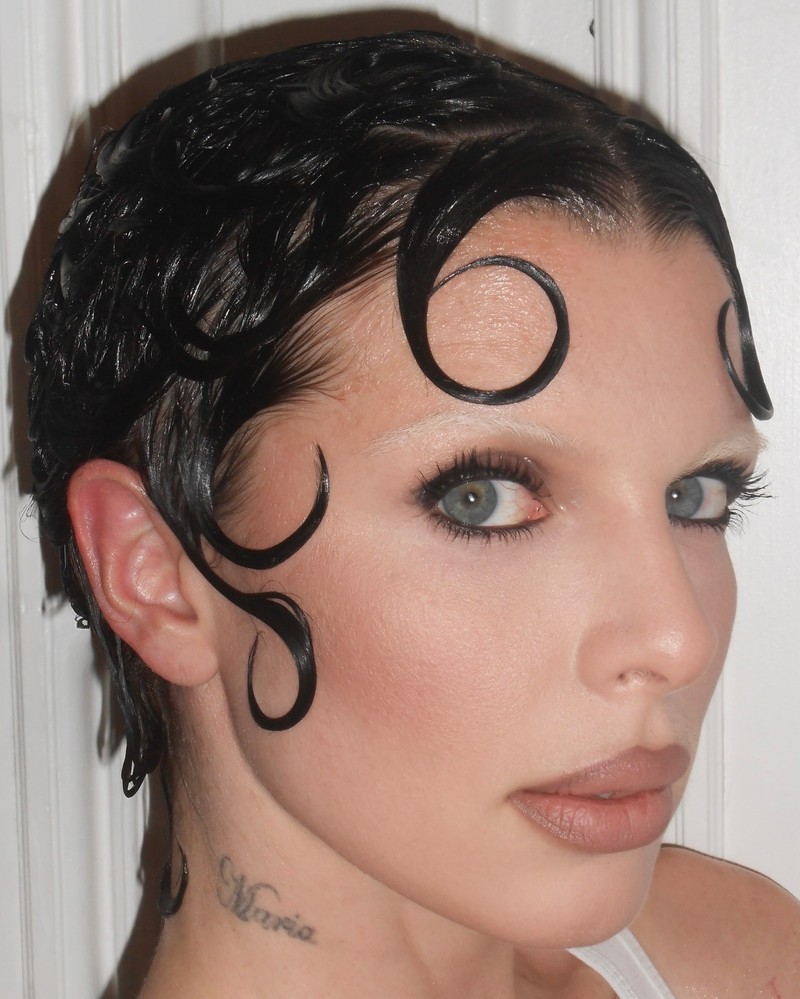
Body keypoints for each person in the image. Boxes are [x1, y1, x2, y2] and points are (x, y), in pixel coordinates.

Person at [26, 29, 800, 998]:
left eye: (695, 497)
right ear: (154, 574)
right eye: (483, 499)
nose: (676, 640)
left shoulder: (742, 959)